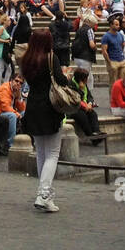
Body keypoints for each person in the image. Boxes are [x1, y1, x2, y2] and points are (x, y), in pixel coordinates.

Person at [19, 29, 79, 213]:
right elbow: (60, 81)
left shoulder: (27, 59)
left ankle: (45, 194)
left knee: (41, 152)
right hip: (50, 107)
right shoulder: (51, 58)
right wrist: (68, 75)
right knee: (52, 153)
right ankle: (43, 194)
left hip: (33, 107)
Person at [0, 73, 26, 154]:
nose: (18, 83)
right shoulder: (5, 88)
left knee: (25, 113)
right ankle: (11, 145)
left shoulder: (15, 90)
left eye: (21, 83)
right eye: (16, 81)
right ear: (11, 81)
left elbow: (22, 108)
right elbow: (5, 107)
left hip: (6, 112)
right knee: (13, 116)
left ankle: (26, 140)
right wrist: (17, 114)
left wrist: (19, 98)